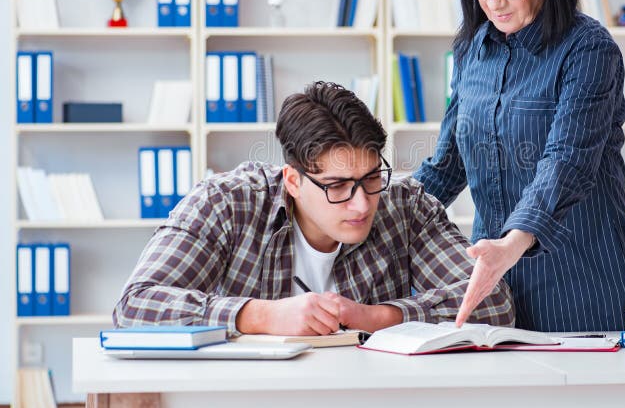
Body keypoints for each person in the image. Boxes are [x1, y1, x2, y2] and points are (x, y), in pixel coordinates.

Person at [413, 0, 625, 332]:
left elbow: (566, 163)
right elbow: (447, 167)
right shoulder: (471, 51)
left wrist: (513, 243)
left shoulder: (588, 50)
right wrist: (373, 212)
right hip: (494, 291)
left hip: (584, 289)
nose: (493, 2)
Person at [113, 82, 514, 336]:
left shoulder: (406, 206)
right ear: (293, 181)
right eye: (337, 186)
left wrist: (377, 317)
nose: (362, 203)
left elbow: (493, 301)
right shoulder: (225, 203)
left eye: (371, 178)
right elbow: (135, 306)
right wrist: (261, 316)